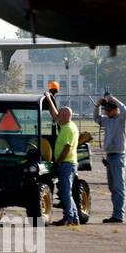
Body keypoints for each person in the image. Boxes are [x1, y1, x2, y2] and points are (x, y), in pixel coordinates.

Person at [43, 93, 83, 226]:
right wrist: (49, 100)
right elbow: (55, 115)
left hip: (66, 164)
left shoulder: (68, 129)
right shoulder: (67, 125)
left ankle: (68, 218)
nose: (58, 117)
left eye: (60, 115)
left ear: (65, 116)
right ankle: (74, 217)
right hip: (68, 164)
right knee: (67, 193)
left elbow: (67, 148)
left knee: (65, 193)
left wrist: (58, 161)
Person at [94, 92, 126, 223]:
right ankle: (115, 213)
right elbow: (96, 118)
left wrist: (115, 99)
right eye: (105, 110)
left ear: (115, 110)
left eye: (108, 110)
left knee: (119, 187)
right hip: (109, 157)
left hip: (118, 156)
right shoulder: (107, 120)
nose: (106, 113)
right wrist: (97, 105)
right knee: (112, 187)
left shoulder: (122, 120)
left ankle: (119, 215)